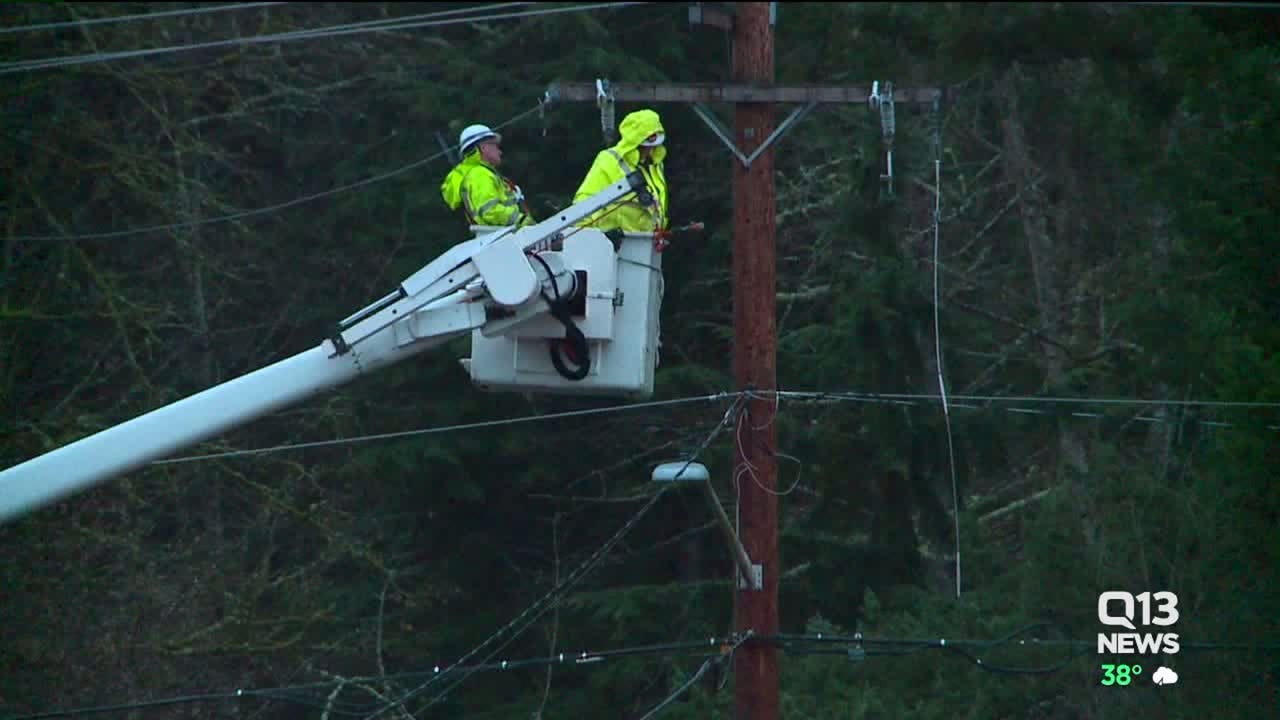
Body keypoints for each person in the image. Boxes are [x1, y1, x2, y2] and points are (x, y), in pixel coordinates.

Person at [572, 109, 669, 235]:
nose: (652, 148)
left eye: (655, 143)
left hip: (647, 243)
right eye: (648, 143)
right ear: (636, 142)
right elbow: (584, 205)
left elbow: (657, 206)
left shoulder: (654, 165)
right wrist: (593, 238)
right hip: (615, 246)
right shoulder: (609, 160)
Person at [441, 123, 535, 228]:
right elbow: (489, 211)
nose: (500, 152)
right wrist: (521, 220)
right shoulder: (479, 175)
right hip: (507, 236)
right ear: (483, 147)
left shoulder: (481, 173)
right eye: (494, 145)